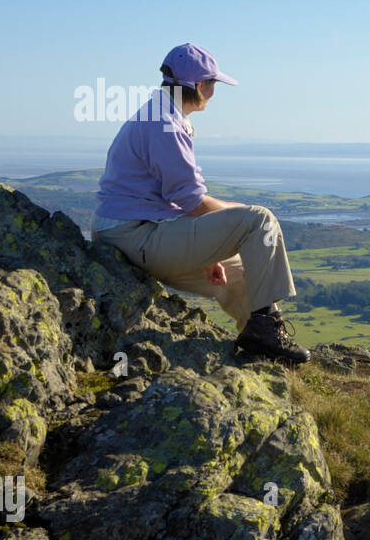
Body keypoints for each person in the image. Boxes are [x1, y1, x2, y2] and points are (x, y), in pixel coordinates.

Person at [91, 43, 310, 363]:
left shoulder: (160, 113)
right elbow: (191, 200)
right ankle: (263, 330)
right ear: (197, 85)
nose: (212, 92)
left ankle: (264, 342)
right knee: (260, 220)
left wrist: (214, 248)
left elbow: (175, 197)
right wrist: (226, 228)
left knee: (239, 271)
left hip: (133, 231)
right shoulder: (165, 124)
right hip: (134, 235)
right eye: (212, 84)